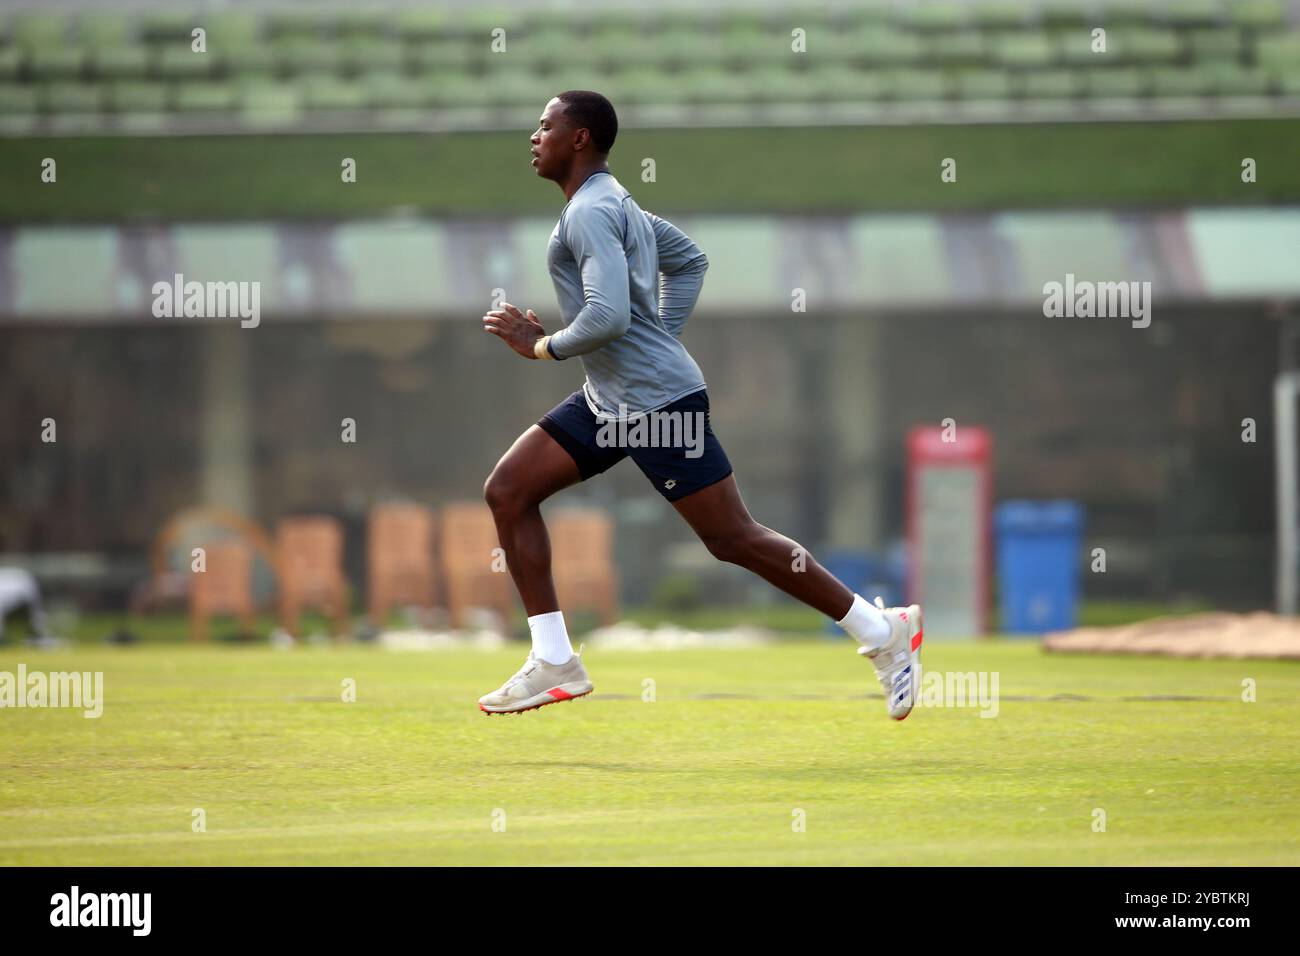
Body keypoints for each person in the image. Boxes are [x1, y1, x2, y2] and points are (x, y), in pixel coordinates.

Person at [478, 91, 922, 719]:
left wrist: (542, 346)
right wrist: (655, 333)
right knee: (509, 490)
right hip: (610, 401)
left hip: (659, 405)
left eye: (545, 126)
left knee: (733, 538)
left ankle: (881, 632)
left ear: (579, 139)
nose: (534, 136)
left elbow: (605, 315)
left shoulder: (590, 214)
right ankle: (555, 660)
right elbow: (688, 261)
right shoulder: (614, 202)